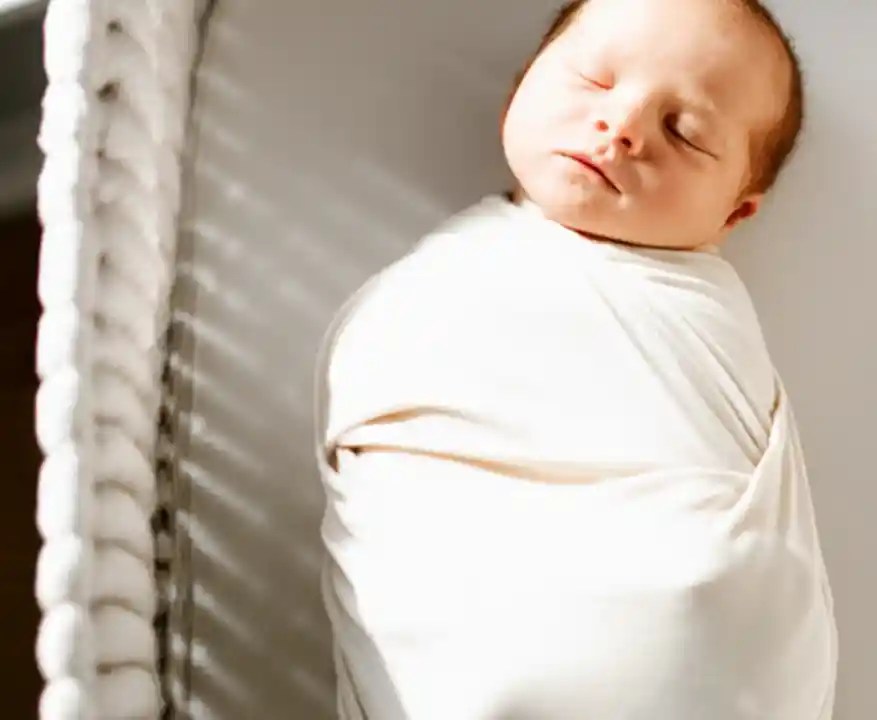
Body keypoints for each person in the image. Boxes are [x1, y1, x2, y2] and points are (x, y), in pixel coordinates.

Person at [315, 1, 837, 717]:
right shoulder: (437, 282)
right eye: (594, 80)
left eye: (683, 132)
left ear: (735, 212)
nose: (622, 127)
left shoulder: (698, 311)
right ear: (520, 86)